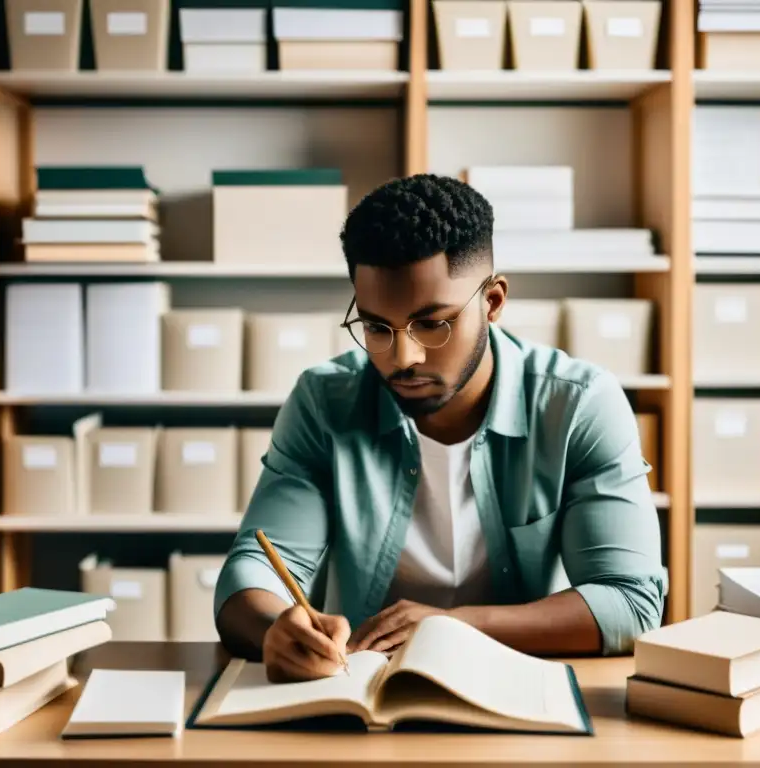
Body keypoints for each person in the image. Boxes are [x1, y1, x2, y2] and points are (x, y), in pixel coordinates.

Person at [213, 174, 666, 683]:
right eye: (377, 327)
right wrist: (276, 627)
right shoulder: (324, 402)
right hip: (360, 700)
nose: (402, 357)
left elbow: (630, 600)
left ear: (492, 302)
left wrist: (454, 627)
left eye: (433, 324)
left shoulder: (578, 404)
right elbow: (249, 572)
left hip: (520, 692)